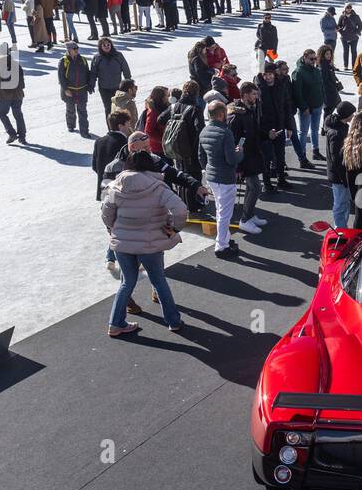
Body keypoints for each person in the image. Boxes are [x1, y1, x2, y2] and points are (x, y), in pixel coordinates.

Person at [101, 147, 189, 337]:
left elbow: (106, 212)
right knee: (158, 281)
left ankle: (115, 323)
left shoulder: (116, 185)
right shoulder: (158, 187)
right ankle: (173, 321)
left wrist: (113, 228)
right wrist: (174, 228)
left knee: (127, 282)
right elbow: (181, 210)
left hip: (123, 243)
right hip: (150, 243)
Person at [199, 100, 243, 258]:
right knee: (225, 214)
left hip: (212, 177)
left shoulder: (204, 131)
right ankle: (221, 246)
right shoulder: (225, 133)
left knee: (220, 210)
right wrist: (240, 152)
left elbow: (201, 156)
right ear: (221, 114)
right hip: (225, 177)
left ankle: (225, 238)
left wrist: (208, 170)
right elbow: (232, 160)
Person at [227, 81, 266, 235]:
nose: (256, 97)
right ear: (245, 95)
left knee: (254, 187)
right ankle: (244, 220)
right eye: (254, 94)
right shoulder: (237, 116)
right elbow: (234, 142)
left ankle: (249, 215)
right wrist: (238, 167)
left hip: (252, 155)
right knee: (255, 187)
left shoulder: (250, 110)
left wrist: (266, 135)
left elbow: (253, 132)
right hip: (244, 159)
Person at [325, 101, 357, 227]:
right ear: (345, 116)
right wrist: (345, 179)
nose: (353, 116)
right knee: (340, 203)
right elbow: (337, 159)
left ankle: (342, 226)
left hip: (337, 174)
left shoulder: (332, 122)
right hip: (339, 175)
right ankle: (340, 229)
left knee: (344, 202)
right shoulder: (338, 135)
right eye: (352, 114)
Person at [0, 42, 26, 145]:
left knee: (2, 113)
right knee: (18, 114)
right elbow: (22, 79)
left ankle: (12, 133)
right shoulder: (15, 62)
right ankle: (22, 137)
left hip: (4, 96)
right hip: (18, 94)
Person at [57, 41, 94, 136]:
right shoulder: (63, 61)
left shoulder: (83, 60)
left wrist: (90, 85)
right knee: (70, 110)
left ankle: (84, 131)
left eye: (77, 48)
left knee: (82, 111)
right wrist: (65, 89)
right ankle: (71, 125)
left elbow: (87, 73)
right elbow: (61, 77)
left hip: (82, 90)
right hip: (70, 90)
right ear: (69, 50)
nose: (76, 50)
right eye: (74, 48)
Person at [91, 36, 131, 117]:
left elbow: (125, 69)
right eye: (104, 45)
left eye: (108, 44)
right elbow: (93, 72)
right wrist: (91, 84)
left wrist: (128, 82)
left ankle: (119, 127)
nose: (106, 46)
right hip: (104, 88)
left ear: (111, 45)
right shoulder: (97, 58)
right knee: (108, 108)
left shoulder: (118, 55)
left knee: (119, 107)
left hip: (117, 87)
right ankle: (111, 128)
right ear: (100, 47)